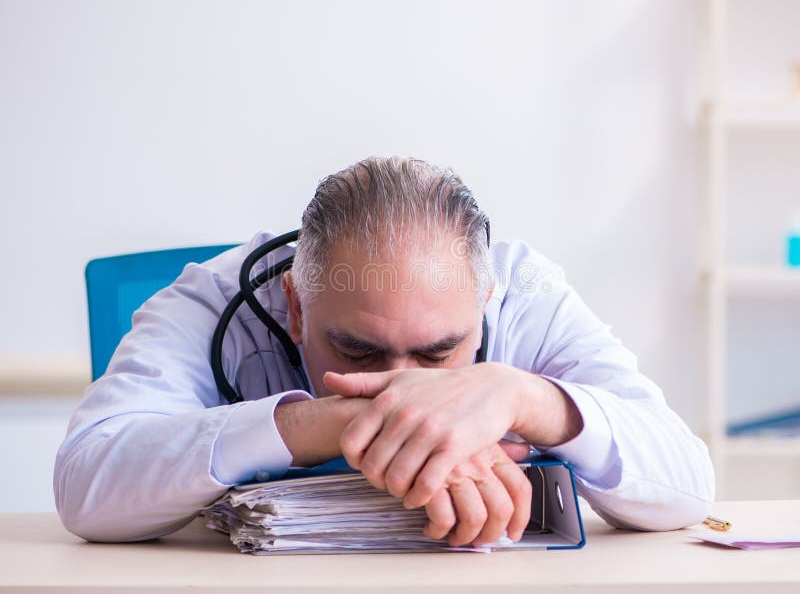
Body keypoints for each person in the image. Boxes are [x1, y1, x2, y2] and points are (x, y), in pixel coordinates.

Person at [54, 156, 715, 545]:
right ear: (294, 306)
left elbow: (687, 484)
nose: (405, 391)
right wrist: (320, 422)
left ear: (485, 301)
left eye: (439, 354)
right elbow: (85, 485)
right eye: (358, 351)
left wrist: (524, 397)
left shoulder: (526, 292)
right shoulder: (211, 299)